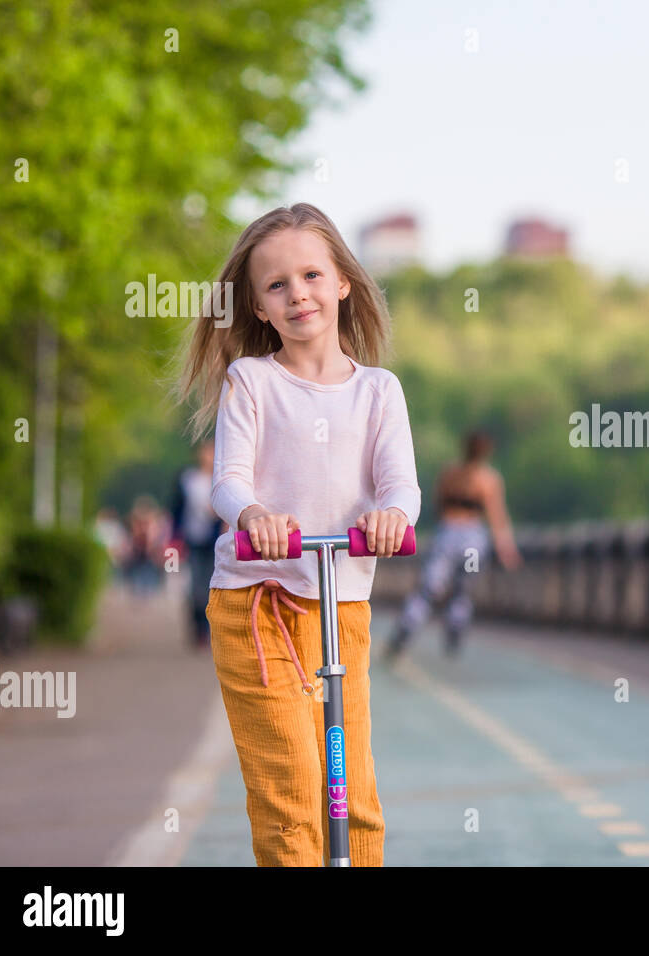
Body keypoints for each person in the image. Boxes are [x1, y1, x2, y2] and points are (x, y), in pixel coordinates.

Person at [171, 202, 421, 867]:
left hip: (342, 606)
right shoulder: (251, 381)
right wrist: (255, 517)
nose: (297, 294)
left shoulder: (379, 391)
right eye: (276, 285)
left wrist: (392, 518)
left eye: (311, 274)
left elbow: (402, 486)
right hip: (258, 603)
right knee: (294, 791)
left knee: (352, 798)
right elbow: (230, 481)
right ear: (258, 307)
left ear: (343, 281)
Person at [385, 430, 520, 658]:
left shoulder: (449, 473)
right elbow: (497, 516)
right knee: (462, 590)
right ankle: (455, 628)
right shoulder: (489, 479)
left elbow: (438, 505)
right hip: (473, 542)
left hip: (447, 535)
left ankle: (407, 626)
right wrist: (506, 549)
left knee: (429, 588)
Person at [170, 438, 225, 649]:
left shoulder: (222, 479)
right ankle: (198, 629)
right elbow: (176, 509)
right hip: (192, 539)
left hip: (215, 541)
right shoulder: (188, 479)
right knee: (195, 588)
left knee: (213, 585)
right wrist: (174, 538)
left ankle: (212, 629)